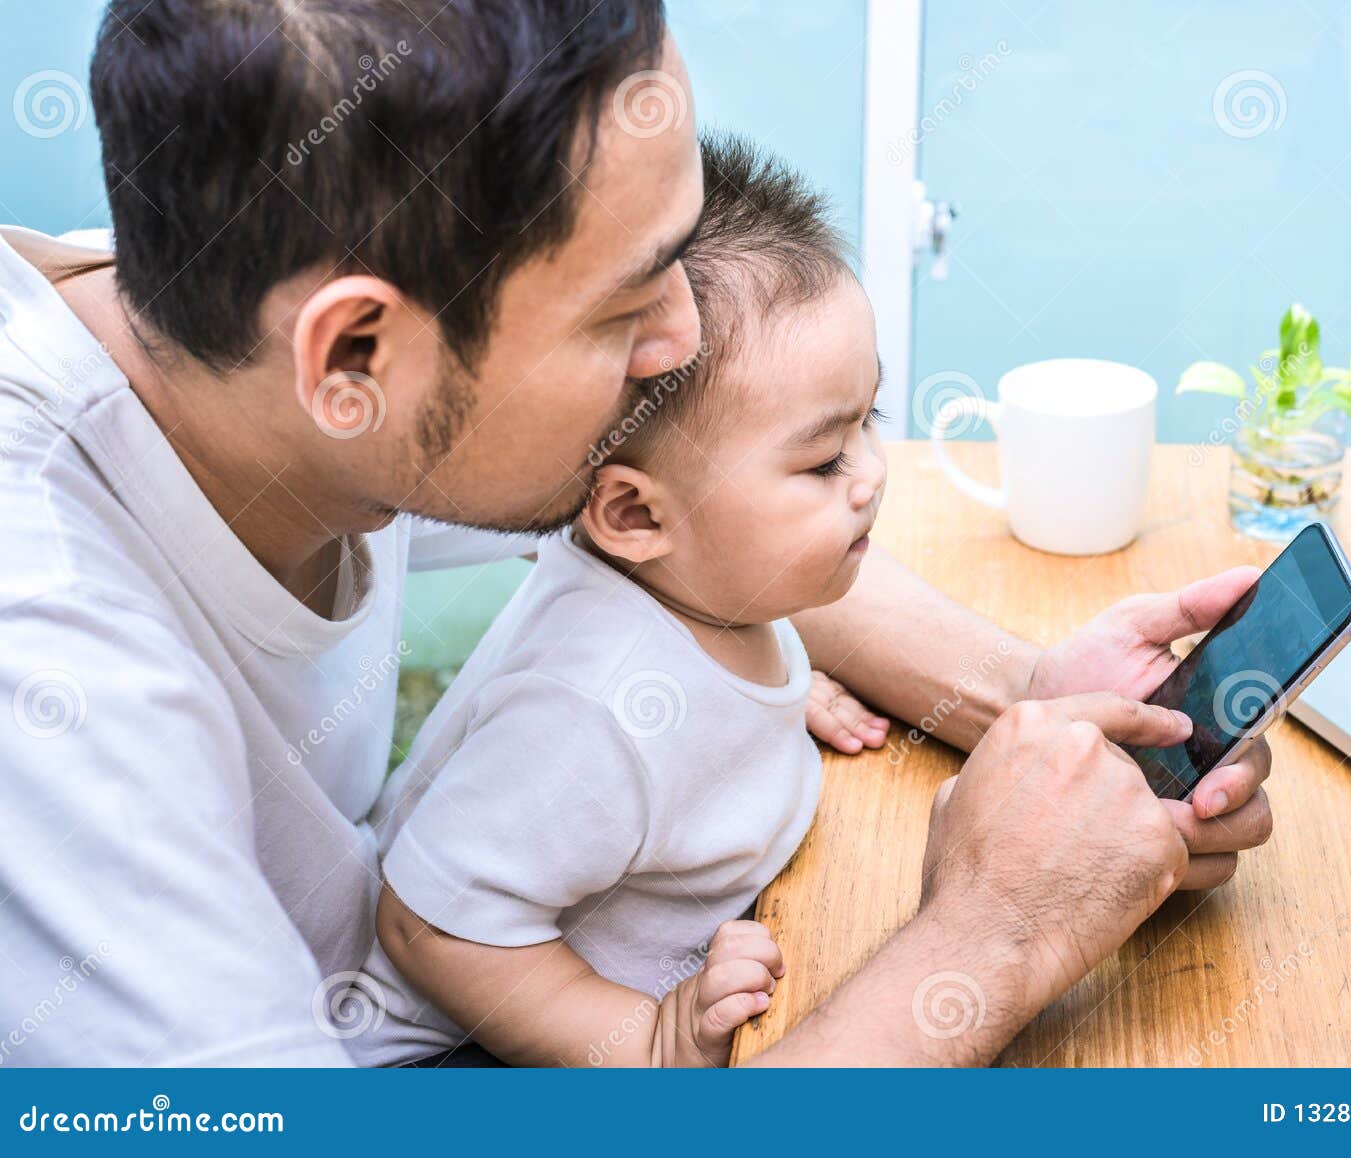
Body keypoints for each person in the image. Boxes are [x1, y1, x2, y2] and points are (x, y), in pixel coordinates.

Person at [0, 0, 1271, 1067]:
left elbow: (705, 518)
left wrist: (1030, 703)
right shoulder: (50, 673)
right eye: (625, 311)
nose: (683, 343)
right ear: (356, 353)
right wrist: (997, 938)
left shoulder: (258, 330)